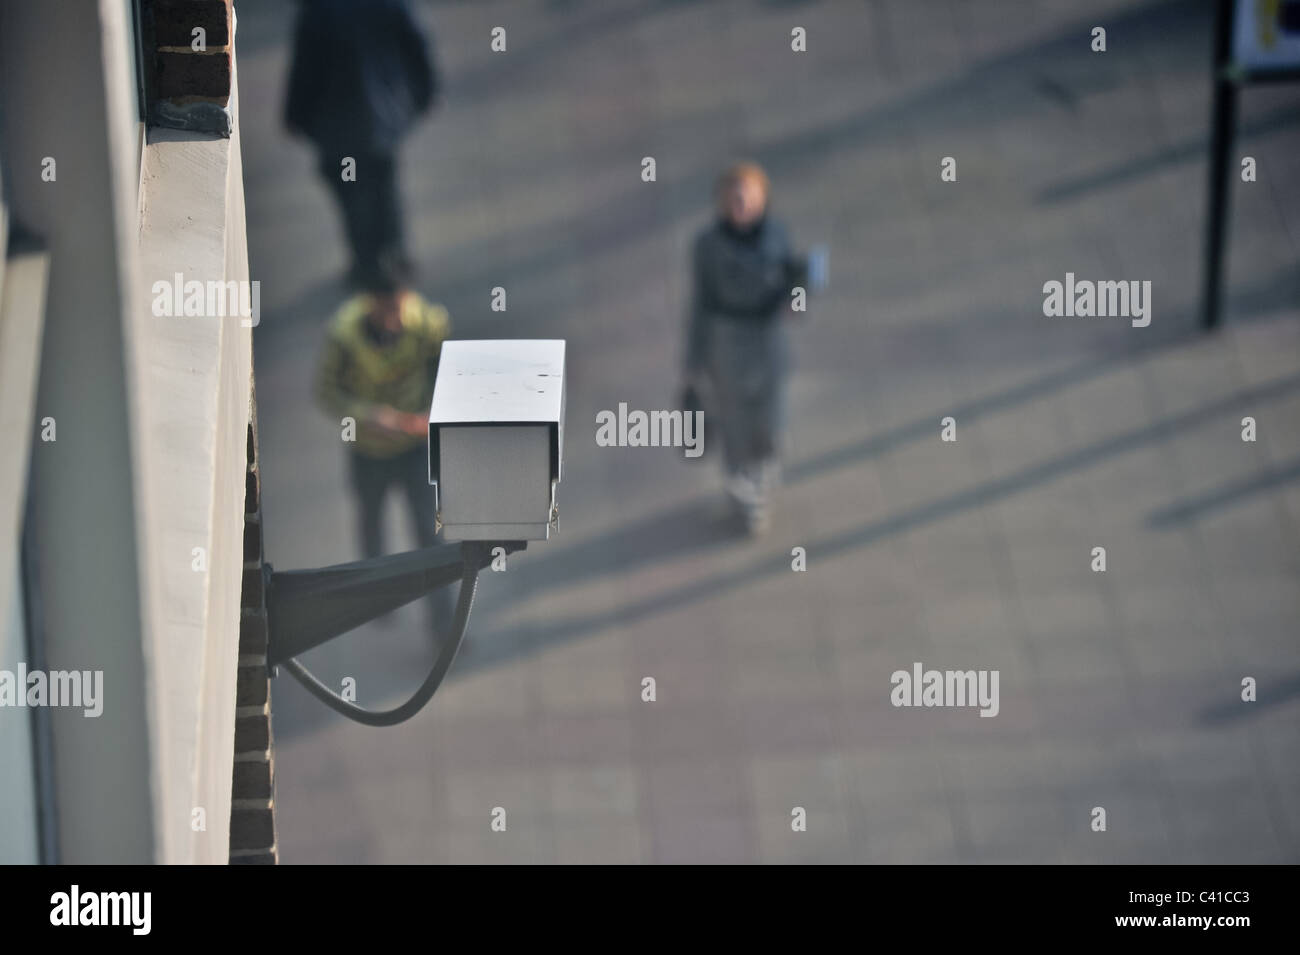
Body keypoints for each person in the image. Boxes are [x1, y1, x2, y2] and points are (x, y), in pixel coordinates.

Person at [314, 259, 454, 637]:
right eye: (385, 308)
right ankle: (378, 601)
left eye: (399, 306)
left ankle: (443, 624)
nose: (393, 318)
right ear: (369, 302)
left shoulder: (428, 323)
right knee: (372, 528)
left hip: (414, 446)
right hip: (369, 450)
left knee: (430, 533)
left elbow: (449, 375)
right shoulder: (344, 334)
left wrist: (431, 415)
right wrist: (370, 415)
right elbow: (326, 392)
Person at [683, 162, 808, 536]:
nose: (739, 203)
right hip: (728, 339)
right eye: (732, 197)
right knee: (734, 422)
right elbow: (700, 302)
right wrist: (693, 360)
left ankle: (764, 473)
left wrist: (797, 299)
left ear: (761, 198)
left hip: (768, 336)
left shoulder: (776, 234)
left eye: (747, 196)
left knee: (770, 420)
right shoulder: (707, 245)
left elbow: (795, 277)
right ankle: (743, 493)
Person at [284, 0, 438, 285]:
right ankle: (393, 250)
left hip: (337, 125)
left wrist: (295, 116)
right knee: (384, 183)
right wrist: (424, 92)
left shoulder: (318, 11)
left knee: (352, 195)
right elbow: (416, 45)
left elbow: (305, 69)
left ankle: (368, 261)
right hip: (383, 117)